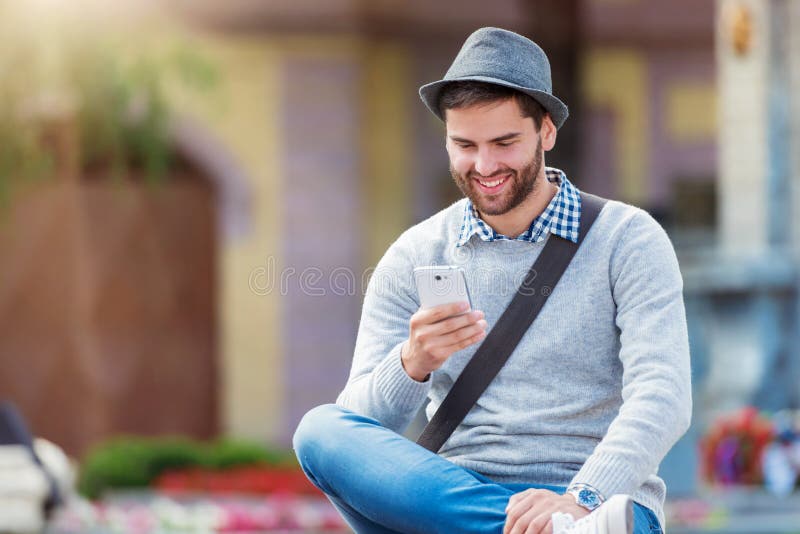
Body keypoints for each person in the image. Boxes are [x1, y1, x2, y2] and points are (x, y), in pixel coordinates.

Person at [293, 27, 691, 534]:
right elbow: (360, 433)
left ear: (546, 131)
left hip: (596, 501)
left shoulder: (628, 239)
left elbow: (664, 393)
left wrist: (580, 499)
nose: (484, 166)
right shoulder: (414, 254)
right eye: (465, 145)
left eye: (504, 143)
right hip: (450, 497)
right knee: (320, 431)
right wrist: (412, 364)